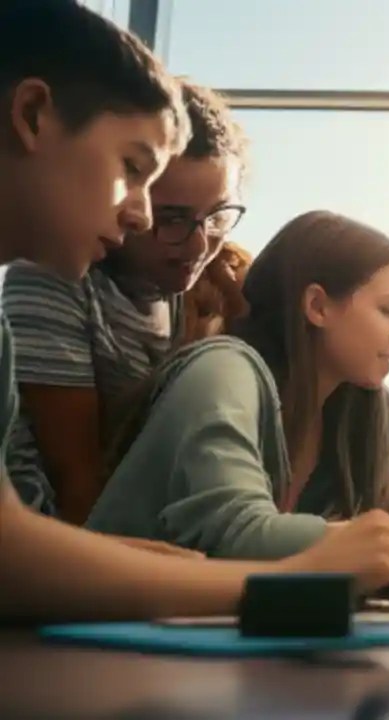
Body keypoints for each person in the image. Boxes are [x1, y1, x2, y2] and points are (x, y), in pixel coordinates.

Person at [0, 0, 389, 620]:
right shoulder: (52, 288)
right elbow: (26, 543)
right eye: (132, 169)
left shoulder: (194, 305)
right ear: (33, 115)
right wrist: (293, 578)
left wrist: (144, 561)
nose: (140, 214)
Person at [89, 210, 389, 569]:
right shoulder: (222, 371)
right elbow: (240, 537)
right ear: (317, 306)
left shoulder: (364, 412)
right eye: (388, 309)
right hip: (105, 645)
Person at [4, 79, 249, 523]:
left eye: (217, 217)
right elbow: (79, 488)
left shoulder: (204, 294)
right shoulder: (54, 277)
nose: (199, 246)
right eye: (170, 217)